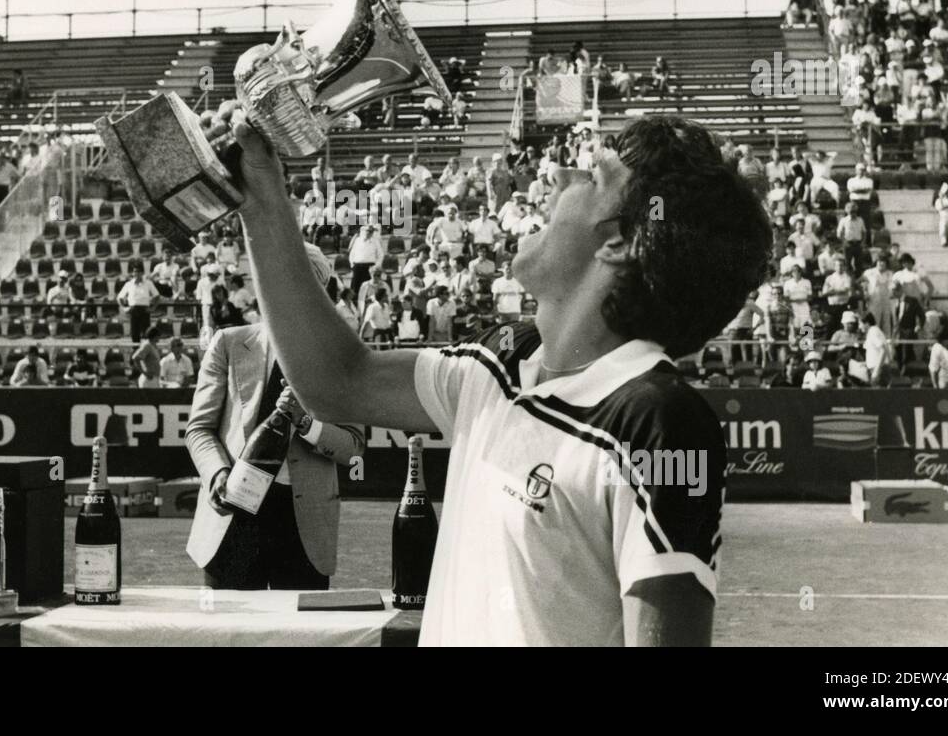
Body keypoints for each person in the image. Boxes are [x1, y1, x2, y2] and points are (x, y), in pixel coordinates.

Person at [228, 112, 770, 645]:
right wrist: (261, 200)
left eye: (593, 175)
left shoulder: (656, 422)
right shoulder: (502, 359)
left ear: (619, 241)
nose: (559, 177)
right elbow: (337, 379)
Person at [185, 243, 365, 590]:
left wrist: (307, 423)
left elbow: (353, 449)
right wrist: (218, 474)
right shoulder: (228, 343)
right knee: (226, 639)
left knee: (301, 640)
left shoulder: (341, 360)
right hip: (232, 515)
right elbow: (199, 429)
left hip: (303, 527)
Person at [117, 265, 159, 344]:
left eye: (138, 272)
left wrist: (153, 308)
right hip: (133, 310)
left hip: (145, 310)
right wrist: (124, 308)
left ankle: (146, 352)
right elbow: (119, 297)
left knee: (147, 333)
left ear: (142, 273)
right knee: (134, 333)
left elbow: (157, 296)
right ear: (133, 273)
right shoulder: (129, 284)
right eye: (135, 272)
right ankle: (135, 351)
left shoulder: (148, 283)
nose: (136, 274)